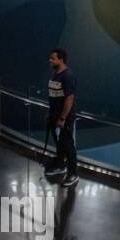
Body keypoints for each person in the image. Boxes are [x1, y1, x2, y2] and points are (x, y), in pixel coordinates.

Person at [43, 48, 79, 187]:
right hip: (54, 115)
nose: (50, 60)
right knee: (59, 144)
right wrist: (50, 113)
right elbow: (54, 95)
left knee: (68, 145)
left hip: (64, 119)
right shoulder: (55, 74)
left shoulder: (68, 76)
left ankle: (73, 174)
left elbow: (69, 99)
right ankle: (60, 166)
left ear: (61, 59)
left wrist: (62, 118)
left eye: (53, 58)